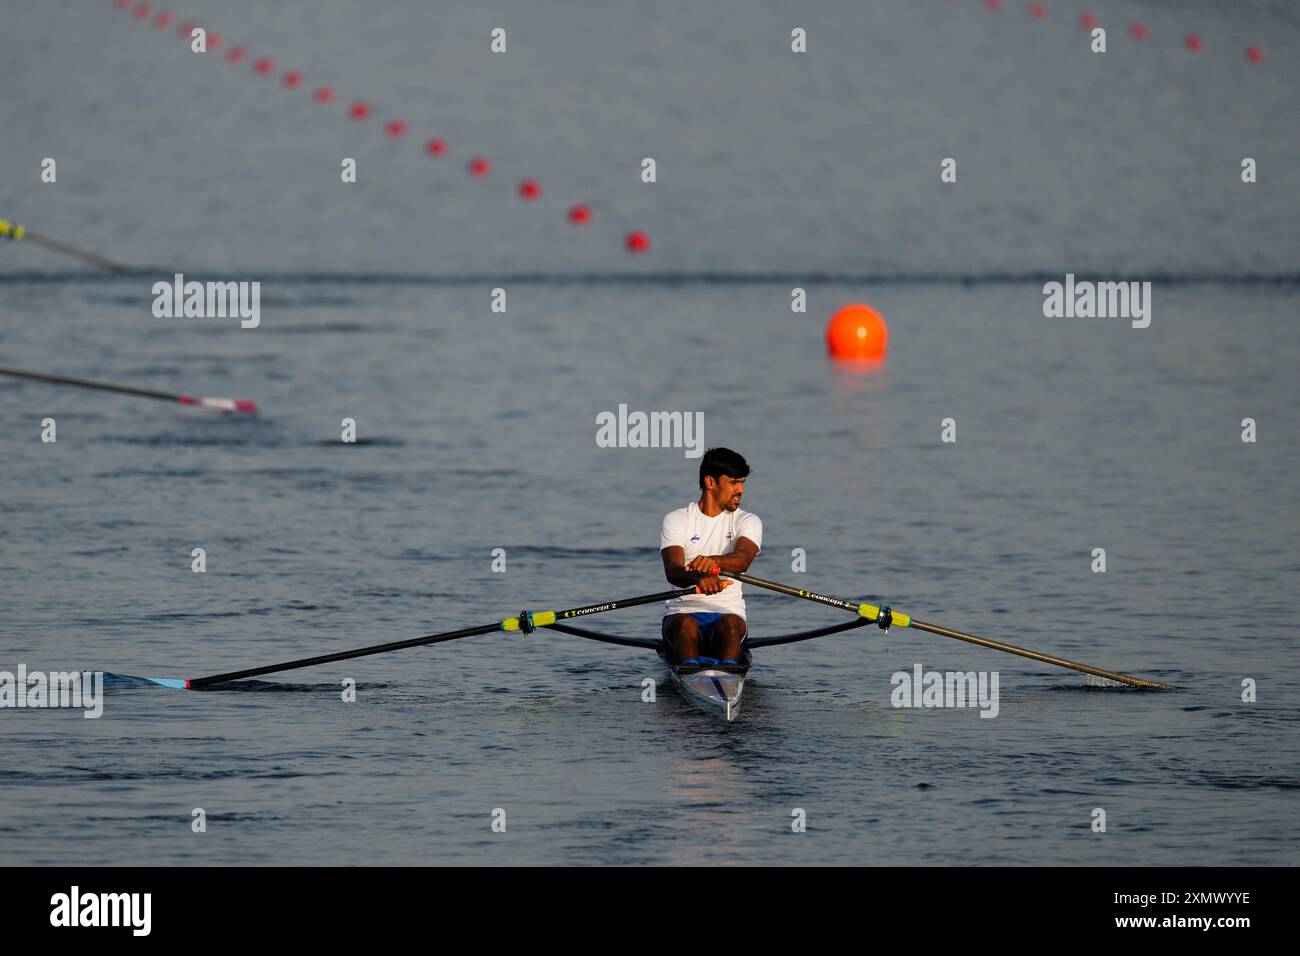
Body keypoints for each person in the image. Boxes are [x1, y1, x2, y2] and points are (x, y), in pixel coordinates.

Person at [659, 448, 762, 671]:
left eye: (743, 483)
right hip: (682, 613)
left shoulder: (748, 521)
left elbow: (742, 560)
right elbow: (673, 571)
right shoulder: (677, 519)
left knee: (731, 625)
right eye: (734, 482)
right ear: (710, 482)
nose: (741, 490)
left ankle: (726, 681)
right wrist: (697, 578)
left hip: (729, 612)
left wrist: (711, 562)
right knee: (686, 625)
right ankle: (693, 673)